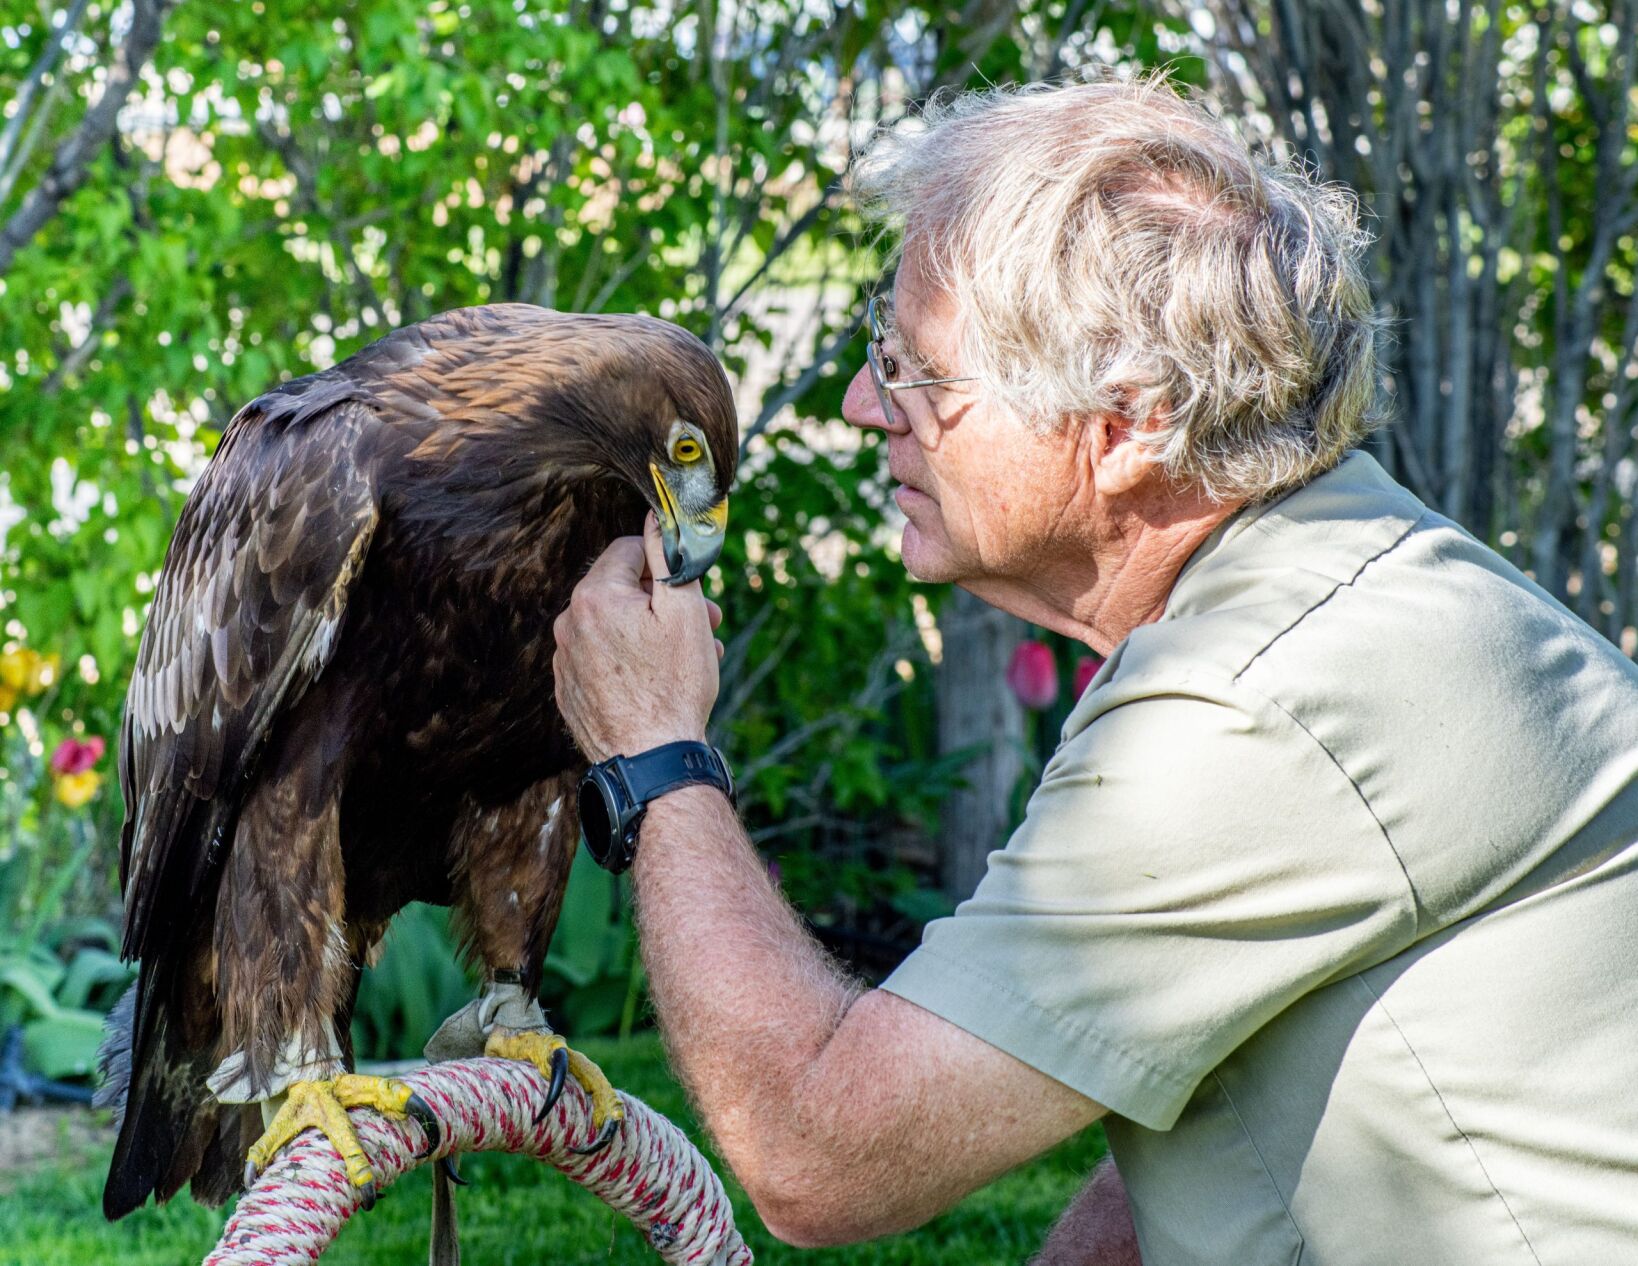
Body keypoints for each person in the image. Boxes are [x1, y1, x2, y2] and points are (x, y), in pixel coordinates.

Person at [551, 75, 1638, 1264]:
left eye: (921, 370)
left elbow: (820, 1155)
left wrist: (657, 750)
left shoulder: (1255, 703)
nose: (869, 406)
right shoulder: (1350, 582)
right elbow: (1228, 1124)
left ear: (1126, 427)